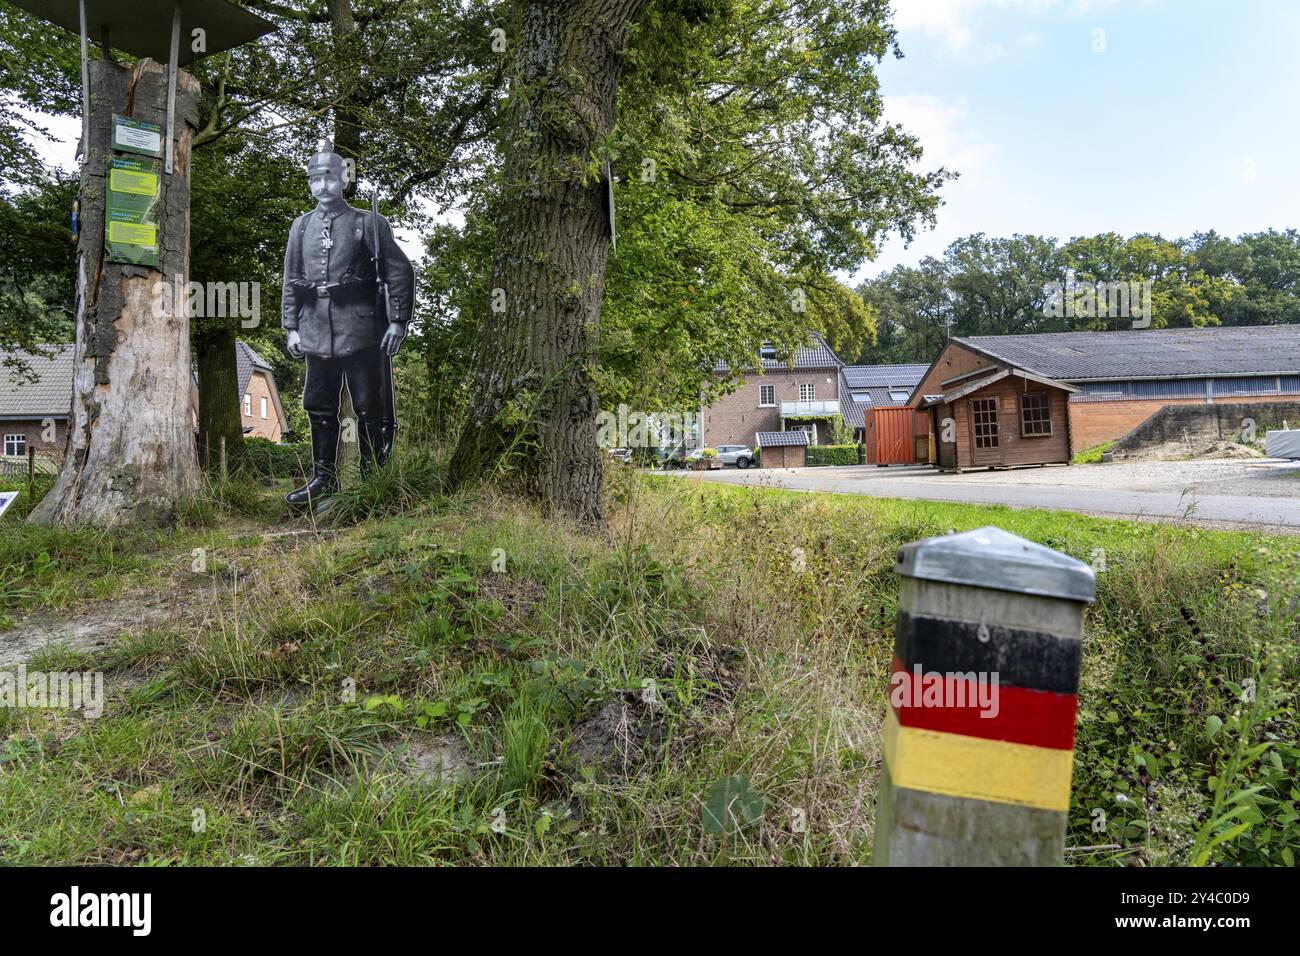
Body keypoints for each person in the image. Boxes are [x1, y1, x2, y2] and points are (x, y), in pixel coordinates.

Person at [281, 138, 414, 505]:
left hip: (361, 331)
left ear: (343, 181)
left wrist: (397, 322)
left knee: (370, 406)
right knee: (318, 405)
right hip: (315, 332)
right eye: (315, 180)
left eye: (329, 178)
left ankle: (376, 480)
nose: (322, 187)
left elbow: (398, 271)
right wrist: (292, 327)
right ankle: (324, 479)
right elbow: (292, 279)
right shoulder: (301, 227)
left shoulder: (367, 223)